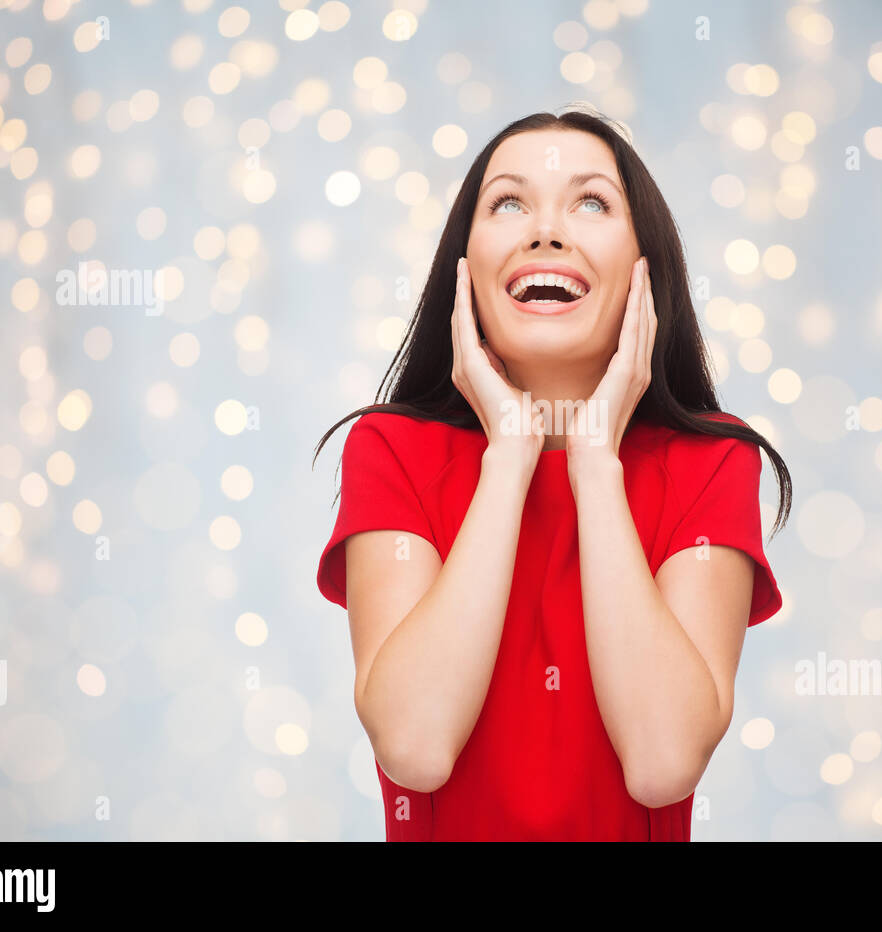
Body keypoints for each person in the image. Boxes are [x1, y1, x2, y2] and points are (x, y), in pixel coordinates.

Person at [313, 108, 792, 841]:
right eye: (508, 202)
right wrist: (510, 453)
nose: (546, 231)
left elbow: (663, 763)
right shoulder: (392, 450)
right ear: (463, 266)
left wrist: (595, 459)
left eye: (592, 202)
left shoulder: (713, 463)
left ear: (645, 267)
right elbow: (414, 746)